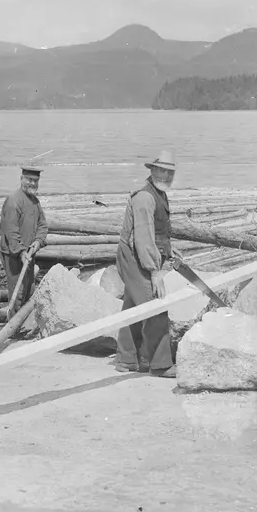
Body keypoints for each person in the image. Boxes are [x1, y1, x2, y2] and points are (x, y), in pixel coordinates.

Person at [114, 150, 179, 378]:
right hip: (133, 255)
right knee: (155, 305)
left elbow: (157, 232)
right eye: (162, 170)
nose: (166, 175)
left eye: (170, 172)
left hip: (139, 252)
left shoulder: (159, 194)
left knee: (133, 304)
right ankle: (160, 364)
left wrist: (169, 251)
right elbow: (142, 238)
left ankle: (126, 358)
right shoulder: (145, 198)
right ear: (152, 170)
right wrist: (154, 272)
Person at [0, 166, 48, 305]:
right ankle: (13, 323)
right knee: (17, 293)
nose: (33, 184)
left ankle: (24, 324)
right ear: (21, 179)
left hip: (29, 253)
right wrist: (20, 252)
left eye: (36, 181)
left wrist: (38, 241)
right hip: (13, 255)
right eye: (29, 180)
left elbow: (42, 225)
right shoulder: (13, 201)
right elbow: (11, 232)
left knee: (29, 290)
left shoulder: (34, 201)